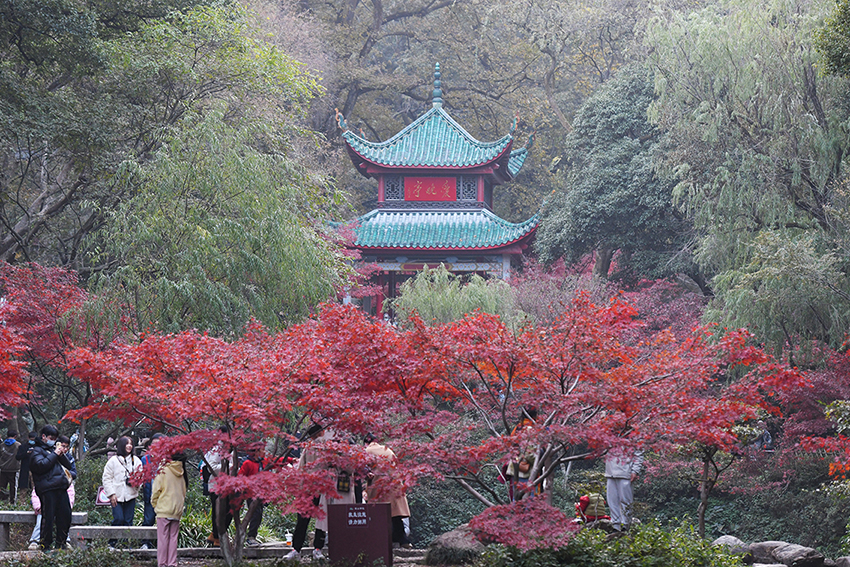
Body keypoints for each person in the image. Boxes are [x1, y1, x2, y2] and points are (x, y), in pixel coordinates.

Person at [29, 425, 73, 550]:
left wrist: (59, 453)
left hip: (60, 487)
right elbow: (41, 466)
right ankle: (45, 545)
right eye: (51, 438)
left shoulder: (53, 449)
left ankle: (61, 543)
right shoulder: (36, 451)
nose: (53, 440)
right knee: (48, 518)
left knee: (65, 516)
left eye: (55, 438)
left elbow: (68, 465)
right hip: (47, 489)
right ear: (43, 437)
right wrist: (54, 454)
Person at [365, 439, 412, 548]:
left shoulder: (368, 450)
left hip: (380, 485)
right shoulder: (388, 450)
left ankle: (380, 541)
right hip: (395, 483)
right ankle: (403, 540)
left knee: (378, 514)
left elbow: (365, 469)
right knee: (395, 515)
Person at [102, 436, 142, 547]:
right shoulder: (113, 461)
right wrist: (111, 494)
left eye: (131, 444)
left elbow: (141, 477)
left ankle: (125, 544)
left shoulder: (136, 461)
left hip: (131, 494)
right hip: (116, 495)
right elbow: (107, 478)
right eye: (127, 443)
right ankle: (112, 543)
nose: (129, 446)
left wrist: (136, 484)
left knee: (128, 521)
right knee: (118, 518)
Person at [151, 452, 188, 567]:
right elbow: (184, 491)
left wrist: (155, 504)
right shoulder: (182, 472)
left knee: (163, 539)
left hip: (164, 509)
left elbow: (156, 490)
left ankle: (162, 564)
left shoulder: (163, 470)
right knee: (173, 539)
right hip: (176, 510)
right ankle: (172, 563)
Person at [203, 426, 231, 547]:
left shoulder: (231, 448)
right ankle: (217, 536)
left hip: (228, 485)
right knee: (218, 511)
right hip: (216, 485)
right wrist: (228, 467)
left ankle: (216, 535)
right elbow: (212, 466)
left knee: (228, 510)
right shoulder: (217, 449)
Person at [604, 450, 643, 531]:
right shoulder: (610, 437)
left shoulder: (633, 437)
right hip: (610, 472)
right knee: (612, 500)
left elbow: (638, 454)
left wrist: (635, 471)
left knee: (626, 501)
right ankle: (615, 526)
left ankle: (626, 525)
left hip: (626, 472)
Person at [238, 445, 266, 547]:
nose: (264, 451)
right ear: (257, 451)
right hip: (250, 493)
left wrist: (291, 459)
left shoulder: (262, 462)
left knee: (258, 514)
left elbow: (277, 461)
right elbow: (241, 477)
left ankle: (252, 536)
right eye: (262, 449)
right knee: (255, 513)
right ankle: (250, 537)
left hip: (260, 492)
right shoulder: (247, 463)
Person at [140, 433, 165, 550]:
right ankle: (145, 543)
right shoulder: (145, 459)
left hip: (164, 496)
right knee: (148, 519)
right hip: (149, 494)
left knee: (164, 522)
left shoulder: (167, 459)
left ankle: (162, 545)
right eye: (153, 444)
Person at [0, 429, 20, 503]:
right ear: (15, 436)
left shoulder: (2, 445)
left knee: (2, 487)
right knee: (13, 487)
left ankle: (2, 501)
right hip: (14, 469)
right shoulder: (18, 445)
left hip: (3, 469)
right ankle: (12, 502)